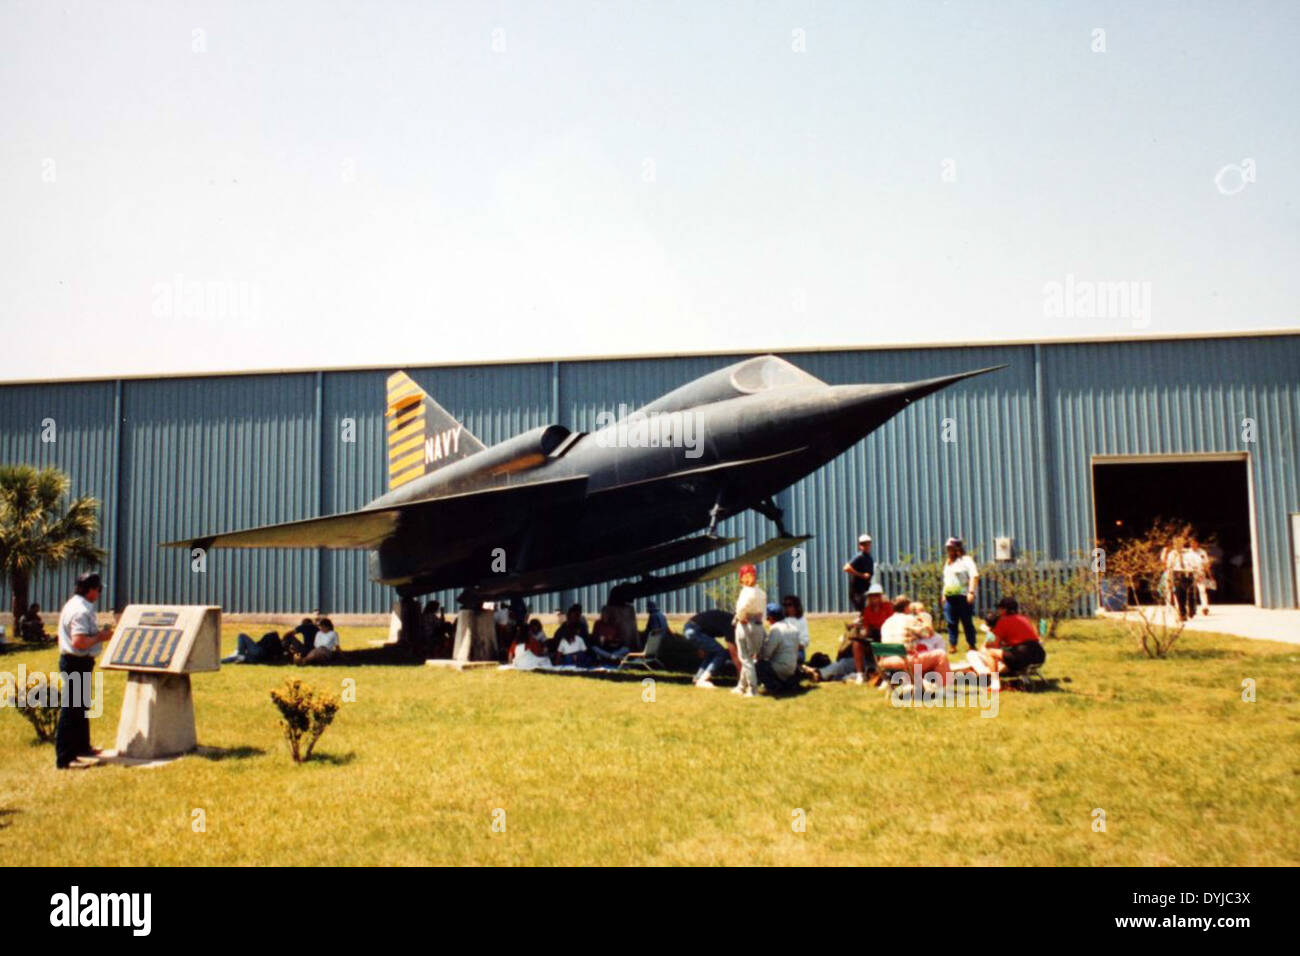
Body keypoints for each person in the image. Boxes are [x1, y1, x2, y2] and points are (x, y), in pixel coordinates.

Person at [54, 572, 114, 769]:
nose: (99, 593)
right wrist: (101, 637)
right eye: (98, 589)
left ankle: (82, 747)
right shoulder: (80, 610)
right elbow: (79, 641)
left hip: (79, 663)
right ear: (90, 590)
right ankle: (65, 758)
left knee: (81, 707)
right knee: (71, 710)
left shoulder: (76, 605)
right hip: (75, 662)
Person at [973, 597, 1046, 678]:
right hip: (1039, 655)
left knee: (989, 652)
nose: (998, 611)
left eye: (999, 608)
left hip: (1022, 656)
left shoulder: (1003, 622)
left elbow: (994, 645)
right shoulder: (1025, 619)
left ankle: (994, 682)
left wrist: (988, 640)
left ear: (1004, 610)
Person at [732, 564, 766, 697]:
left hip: (745, 625)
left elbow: (740, 609)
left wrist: (741, 617)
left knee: (745, 658)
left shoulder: (746, 592)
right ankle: (741, 687)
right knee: (750, 658)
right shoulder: (762, 593)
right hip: (758, 625)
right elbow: (763, 611)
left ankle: (753, 689)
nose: (746, 579)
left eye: (748, 576)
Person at [942, 536, 980, 651]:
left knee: (967, 621)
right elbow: (947, 580)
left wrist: (971, 592)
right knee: (951, 622)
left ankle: (971, 644)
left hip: (963, 596)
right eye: (948, 548)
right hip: (950, 596)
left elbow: (975, 576)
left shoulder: (966, 560)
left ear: (957, 548)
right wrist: (943, 594)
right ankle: (953, 645)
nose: (949, 550)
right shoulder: (948, 562)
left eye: (951, 548)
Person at [852, 582, 893, 682]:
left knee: (882, 644)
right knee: (856, 643)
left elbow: (892, 623)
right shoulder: (867, 610)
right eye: (871, 596)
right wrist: (861, 632)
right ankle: (860, 674)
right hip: (873, 635)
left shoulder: (888, 607)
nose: (874, 598)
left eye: (876, 595)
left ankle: (883, 673)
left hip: (886, 634)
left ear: (880, 596)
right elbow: (866, 629)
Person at [683, 608, 735, 688]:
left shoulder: (726, 618)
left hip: (690, 627)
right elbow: (733, 652)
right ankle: (703, 680)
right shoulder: (731, 624)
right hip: (695, 630)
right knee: (721, 653)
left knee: (712, 653)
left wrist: (700, 647)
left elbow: (707, 625)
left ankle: (698, 678)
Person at [757, 603, 802, 694]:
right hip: (793, 667)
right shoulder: (794, 628)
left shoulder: (775, 630)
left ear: (771, 617)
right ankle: (788, 683)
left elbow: (766, 654)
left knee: (759, 666)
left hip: (780, 667)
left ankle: (774, 686)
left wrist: (758, 654)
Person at [1165, 536, 1195, 622]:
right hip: (1177, 574)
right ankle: (1182, 614)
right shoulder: (1172, 554)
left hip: (1188, 574)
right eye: (1175, 544)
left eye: (1179, 543)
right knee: (1180, 595)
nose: (1177, 546)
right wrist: (1169, 578)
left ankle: (1192, 609)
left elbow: (1195, 564)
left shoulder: (1189, 553)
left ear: (1182, 544)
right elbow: (1169, 567)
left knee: (1190, 594)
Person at [842, 534, 875, 612]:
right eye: (863, 544)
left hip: (865, 587)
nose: (865, 546)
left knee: (866, 609)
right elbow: (846, 568)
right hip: (858, 590)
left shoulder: (868, 557)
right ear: (860, 546)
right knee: (863, 609)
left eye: (867, 544)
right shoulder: (859, 556)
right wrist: (861, 575)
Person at [222, 630, 286, 664]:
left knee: (241, 635)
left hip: (259, 652)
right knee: (236, 657)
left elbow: (261, 644)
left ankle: (240, 654)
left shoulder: (274, 635)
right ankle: (221, 661)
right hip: (258, 658)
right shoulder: (279, 650)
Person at [782, 595, 810, 665]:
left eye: (789, 605)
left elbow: (805, 640)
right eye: (785, 605)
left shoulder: (801, 620)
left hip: (797, 651)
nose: (787, 607)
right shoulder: (782, 620)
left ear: (796, 606)